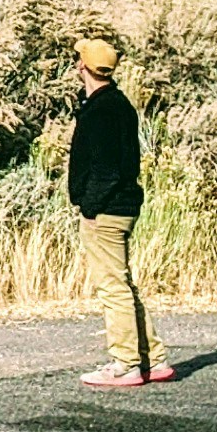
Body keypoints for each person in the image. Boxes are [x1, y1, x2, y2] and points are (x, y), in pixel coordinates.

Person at [70, 38, 174, 387]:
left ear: (82, 66)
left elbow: (104, 169)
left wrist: (89, 207)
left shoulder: (100, 110)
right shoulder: (120, 105)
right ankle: (153, 359)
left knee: (112, 287)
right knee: (123, 284)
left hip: (107, 211)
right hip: (125, 205)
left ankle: (125, 364)